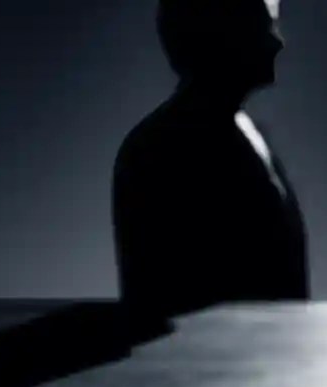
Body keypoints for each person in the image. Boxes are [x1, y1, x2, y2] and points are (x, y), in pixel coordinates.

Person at [113, 0, 308, 316]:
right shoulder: (158, 150)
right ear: (224, 35)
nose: (278, 42)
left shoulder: (238, 134)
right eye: (265, 26)